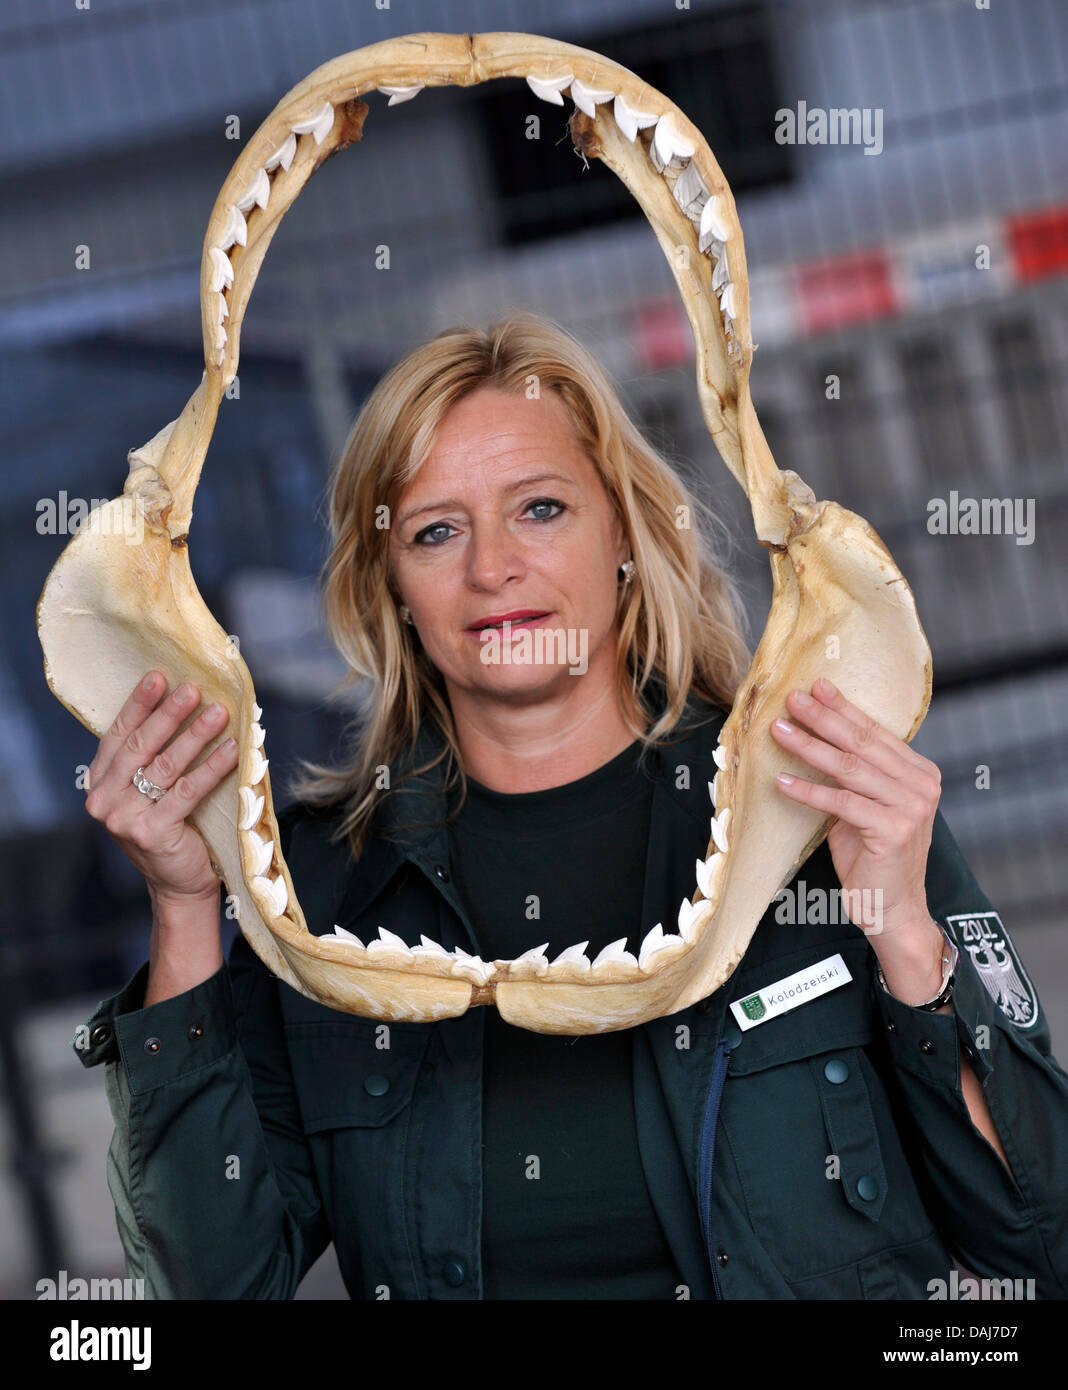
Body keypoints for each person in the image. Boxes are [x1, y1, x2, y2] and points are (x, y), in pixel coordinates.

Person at [75, 313, 1068, 1300]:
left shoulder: (822, 806)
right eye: (435, 530)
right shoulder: (310, 892)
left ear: (626, 534)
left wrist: (903, 932)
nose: (492, 567)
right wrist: (184, 914)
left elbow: (1040, 1234)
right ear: (392, 588)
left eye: (540, 508)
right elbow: (205, 1289)